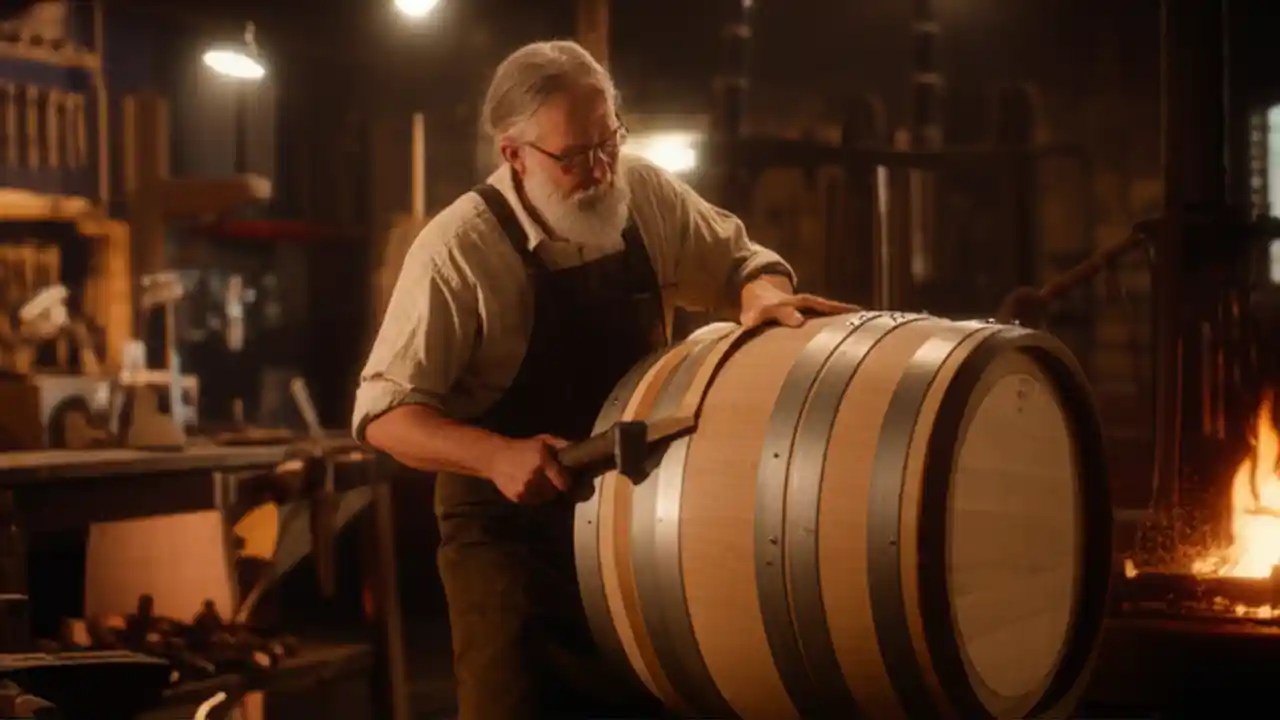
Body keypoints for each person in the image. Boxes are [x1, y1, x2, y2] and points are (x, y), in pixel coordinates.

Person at [352, 39, 857, 719]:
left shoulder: (642, 192)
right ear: (514, 154)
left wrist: (760, 294)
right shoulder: (458, 252)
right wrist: (495, 455)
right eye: (575, 156)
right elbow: (384, 414)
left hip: (639, 536)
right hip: (514, 549)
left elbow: (742, 261)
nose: (599, 170)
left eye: (609, 141)